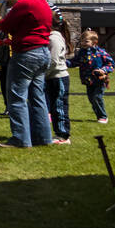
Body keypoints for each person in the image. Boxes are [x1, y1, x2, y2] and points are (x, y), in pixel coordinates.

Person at [0, 0, 53, 148]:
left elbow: (5, 25)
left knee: (17, 97)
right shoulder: (43, 3)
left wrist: (2, 21)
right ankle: (43, 138)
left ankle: (20, 138)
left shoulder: (24, 4)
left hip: (26, 53)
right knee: (38, 96)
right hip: (43, 52)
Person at [68, 29, 115, 124]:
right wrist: (64, 63)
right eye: (82, 41)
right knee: (92, 99)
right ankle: (99, 116)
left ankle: (103, 116)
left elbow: (111, 64)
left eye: (86, 41)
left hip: (99, 80)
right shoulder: (81, 53)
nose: (83, 43)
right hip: (88, 81)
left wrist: (103, 70)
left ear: (94, 42)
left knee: (97, 97)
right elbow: (74, 62)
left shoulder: (100, 52)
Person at [45, 9, 72, 143]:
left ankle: (63, 135)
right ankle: (59, 132)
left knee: (59, 106)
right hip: (54, 76)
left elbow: (53, 61)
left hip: (58, 77)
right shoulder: (54, 37)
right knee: (55, 106)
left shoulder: (53, 38)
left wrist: (43, 74)